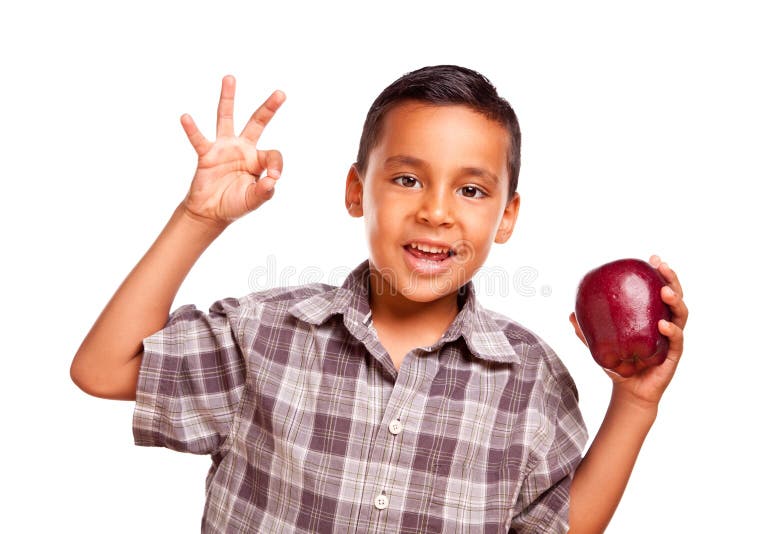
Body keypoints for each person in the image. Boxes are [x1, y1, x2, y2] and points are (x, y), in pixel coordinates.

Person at [71, 65, 688, 533]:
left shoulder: (529, 376)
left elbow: (558, 525)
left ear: (507, 216)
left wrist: (634, 403)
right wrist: (198, 218)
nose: (436, 211)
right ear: (356, 190)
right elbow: (101, 371)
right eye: (407, 178)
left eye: (471, 190)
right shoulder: (264, 334)